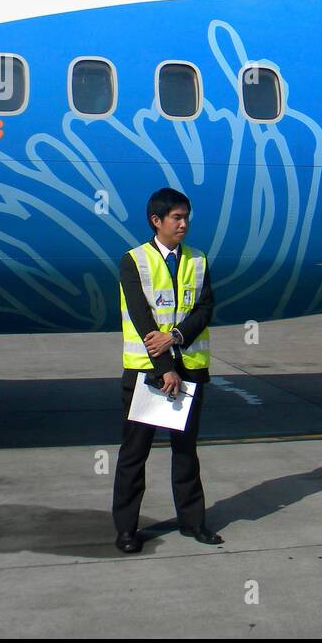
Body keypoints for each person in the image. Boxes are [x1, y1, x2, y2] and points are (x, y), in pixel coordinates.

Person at [112, 188, 219, 553]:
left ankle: (193, 522)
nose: (184, 224)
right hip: (147, 373)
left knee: (186, 451)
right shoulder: (134, 261)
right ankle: (127, 529)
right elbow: (141, 316)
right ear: (156, 221)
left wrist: (175, 338)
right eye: (176, 217)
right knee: (134, 453)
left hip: (189, 369)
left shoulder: (199, 259)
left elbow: (205, 309)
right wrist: (164, 367)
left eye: (186, 216)